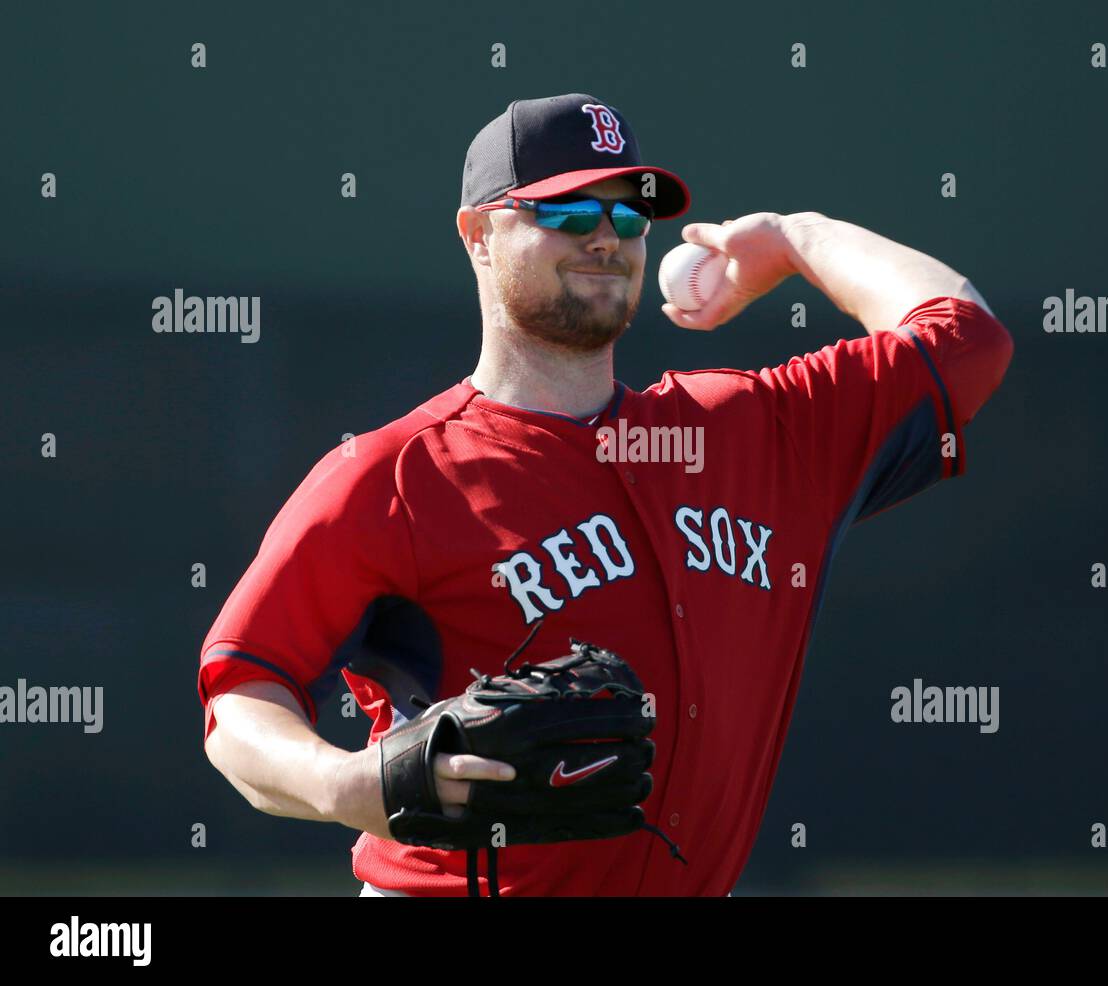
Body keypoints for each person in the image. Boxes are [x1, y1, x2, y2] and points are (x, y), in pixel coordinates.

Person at [198, 92, 1014, 897]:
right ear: (478, 234)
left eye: (627, 216)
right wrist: (355, 785)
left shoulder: (750, 430)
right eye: (567, 212)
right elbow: (240, 698)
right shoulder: (394, 476)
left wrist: (798, 238)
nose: (604, 238)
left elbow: (966, 340)